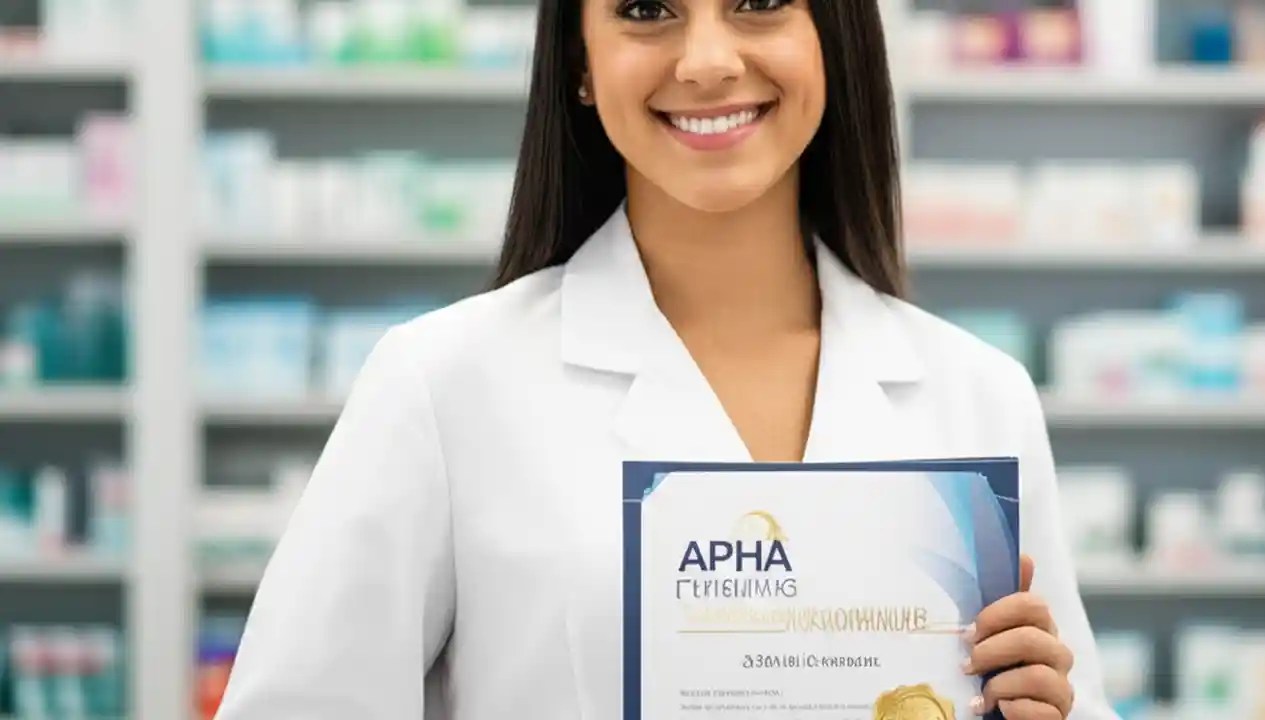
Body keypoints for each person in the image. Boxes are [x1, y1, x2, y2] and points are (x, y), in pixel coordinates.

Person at [214, 0, 1116, 717]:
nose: (708, 60)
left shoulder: (978, 395)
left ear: (833, 38)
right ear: (579, 60)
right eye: (647, 10)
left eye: (759, 2)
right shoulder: (443, 384)